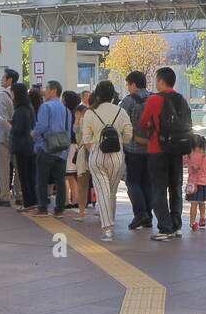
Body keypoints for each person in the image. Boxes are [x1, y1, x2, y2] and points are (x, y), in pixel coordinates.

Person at [137, 67, 191, 241]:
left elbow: (143, 122)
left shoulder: (154, 99)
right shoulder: (182, 99)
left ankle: (164, 227)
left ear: (161, 81)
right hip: (177, 150)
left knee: (158, 189)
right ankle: (176, 226)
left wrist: (153, 128)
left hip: (157, 149)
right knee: (175, 188)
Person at [80, 80, 133, 241]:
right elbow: (128, 136)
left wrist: (96, 149)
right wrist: (119, 141)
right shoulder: (121, 111)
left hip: (97, 153)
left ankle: (107, 229)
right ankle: (111, 223)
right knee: (111, 192)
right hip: (117, 155)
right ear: (113, 94)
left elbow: (86, 139)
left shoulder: (90, 112)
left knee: (102, 191)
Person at [32, 80, 74, 216]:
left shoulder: (46, 106)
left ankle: (42, 207)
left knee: (42, 179)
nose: (44, 91)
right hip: (62, 148)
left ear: (53, 90)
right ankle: (59, 209)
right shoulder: (66, 109)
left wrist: (33, 134)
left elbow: (42, 126)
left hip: (47, 147)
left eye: (47, 88)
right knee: (60, 180)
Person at [122, 70, 154, 230]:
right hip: (152, 148)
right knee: (147, 182)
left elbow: (122, 125)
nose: (128, 88)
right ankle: (148, 215)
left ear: (133, 84)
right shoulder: (154, 97)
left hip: (133, 147)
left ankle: (140, 213)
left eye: (128, 84)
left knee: (133, 182)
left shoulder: (128, 101)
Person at [9, 81, 38, 211]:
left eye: (12, 91)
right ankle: (33, 202)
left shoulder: (20, 110)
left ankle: (28, 203)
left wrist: (8, 124)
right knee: (30, 176)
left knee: (24, 176)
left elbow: (18, 129)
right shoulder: (29, 107)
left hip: (21, 146)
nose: (11, 93)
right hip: (30, 146)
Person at [0, 68, 18, 206]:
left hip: (4, 135)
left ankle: (5, 196)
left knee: (3, 166)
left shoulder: (2, 95)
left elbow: (4, 116)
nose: (1, 80)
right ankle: (19, 193)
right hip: (16, 134)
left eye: (3, 78)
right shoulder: (19, 93)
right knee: (18, 166)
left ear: (9, 80)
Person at [64, 91, 89, 219]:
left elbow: (76, 133)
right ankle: (76, 202)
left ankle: (76, 203)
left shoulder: (75, 115)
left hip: (75, 149)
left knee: (72, 176)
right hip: (81, 149)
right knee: (75, 177)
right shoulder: (84, 113)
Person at [185, 135, 206, 230]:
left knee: (193, 204)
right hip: (204, 183)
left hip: (193, 184)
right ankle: (202, 218)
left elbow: (182, 161)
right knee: (202, 202)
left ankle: (192, 223)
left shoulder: (188, 156)